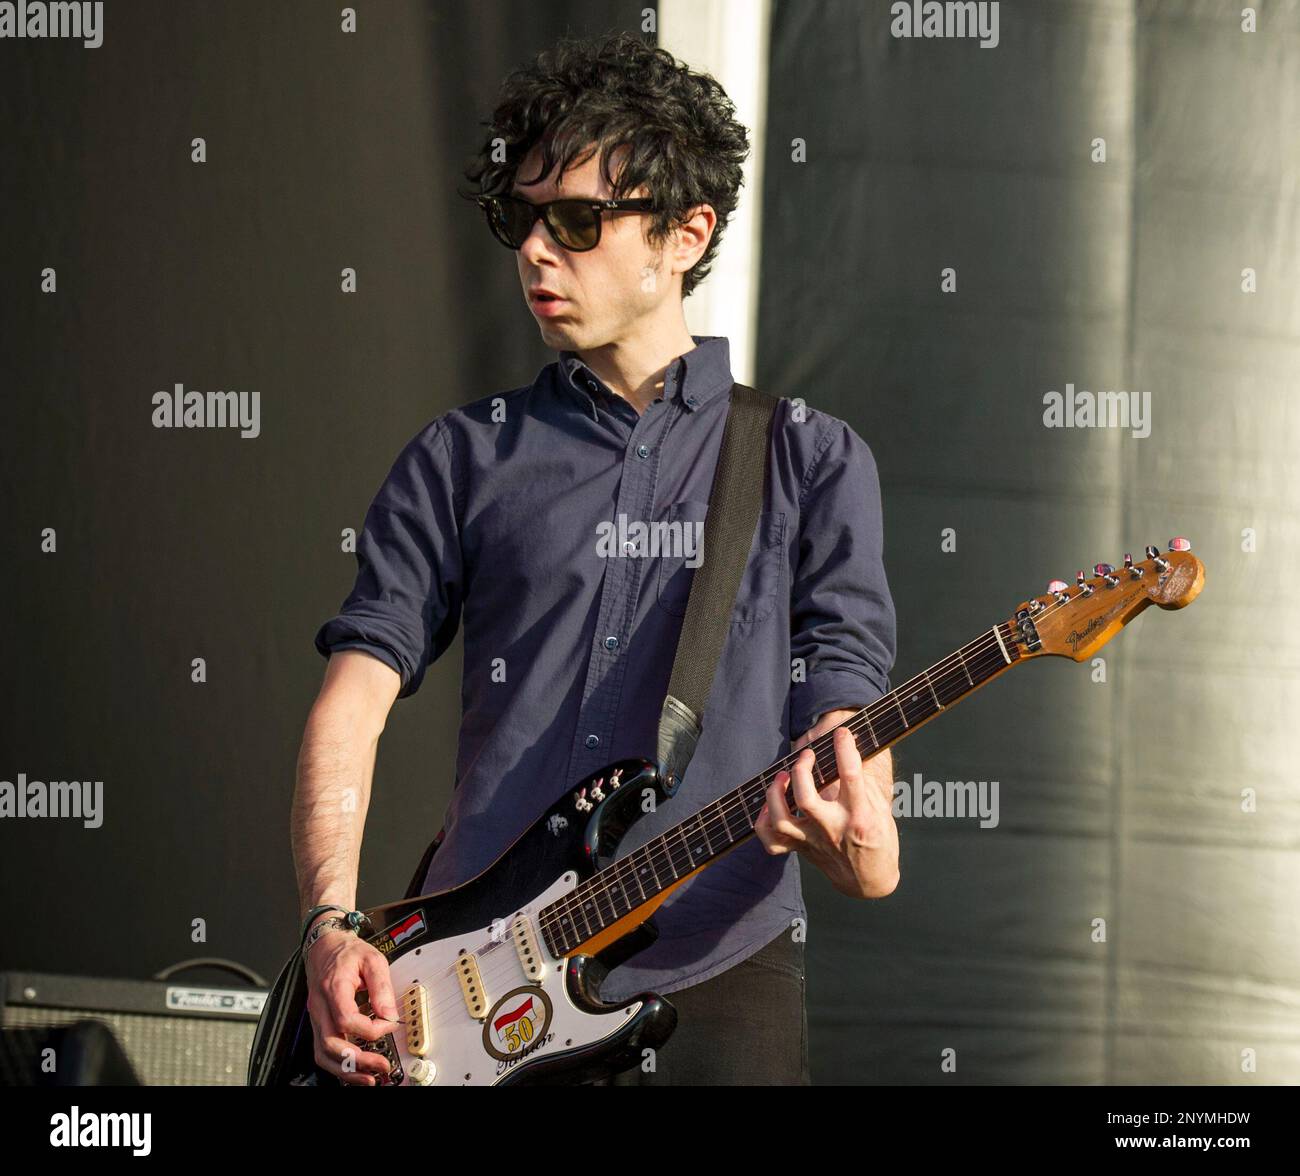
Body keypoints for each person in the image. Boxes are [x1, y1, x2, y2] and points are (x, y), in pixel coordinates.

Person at [291, 30, 897, 1087]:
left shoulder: (809, 457)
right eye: (517, 217)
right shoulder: (463, 455)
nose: (535, 250)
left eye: (575, 220)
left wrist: (865, 836)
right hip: (468, 987)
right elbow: (352, 703)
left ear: (685, 232)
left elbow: (844, 702)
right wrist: (330, 927)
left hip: (719, 969)